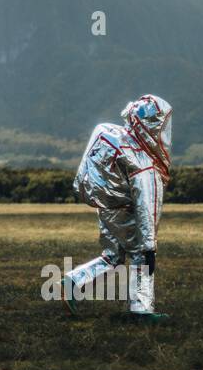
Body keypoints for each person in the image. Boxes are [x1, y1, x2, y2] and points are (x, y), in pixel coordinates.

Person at [62, 94, 172, 322]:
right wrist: (150, 247)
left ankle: (73, 280)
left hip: (104, 206)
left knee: (112, 256)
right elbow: (147, 210)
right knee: (140, 256)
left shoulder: (106, 131)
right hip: (122, 210)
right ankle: (141, 310)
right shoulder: (145, 165)